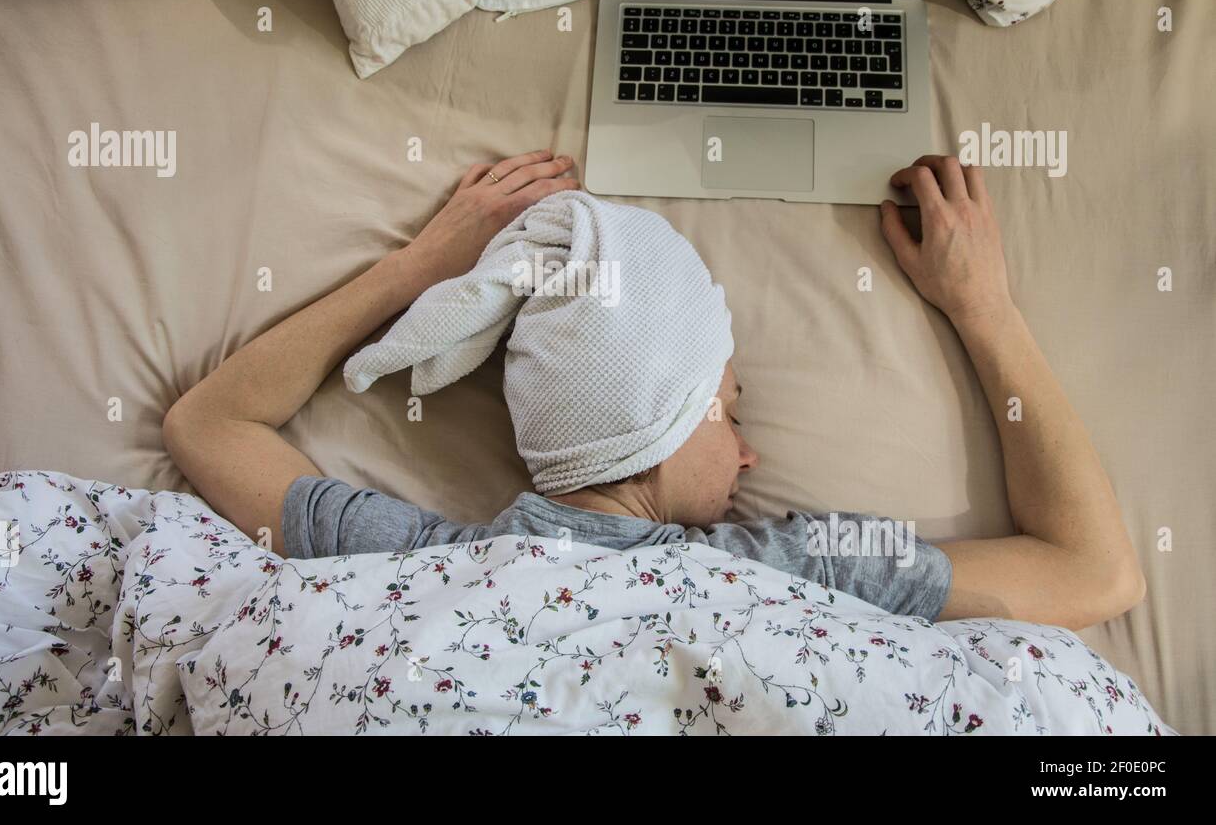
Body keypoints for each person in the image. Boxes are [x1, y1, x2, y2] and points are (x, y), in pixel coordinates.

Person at [164, 149, 1146, 630]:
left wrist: (413, 271)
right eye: (730, 408)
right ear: (665, 415)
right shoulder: (799, 567)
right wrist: (985, 313)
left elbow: (210, 422)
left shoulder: (414, 556)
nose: (751, 453)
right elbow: (1095, 574)